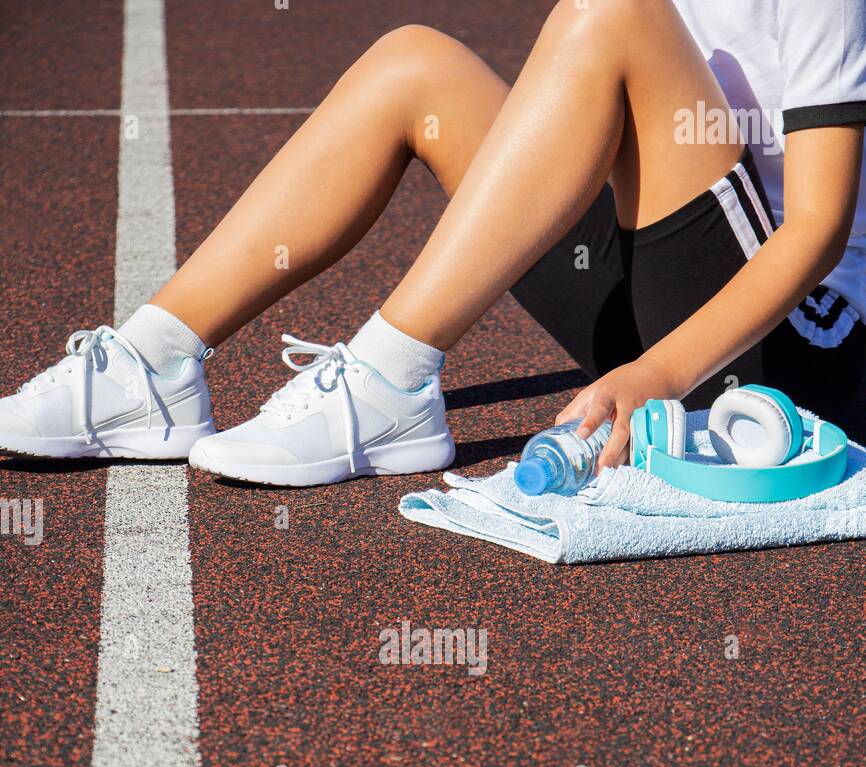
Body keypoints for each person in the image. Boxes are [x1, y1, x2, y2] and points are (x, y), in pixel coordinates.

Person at [2, 0, 865, 484]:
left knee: (616, 13)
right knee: (414, 63)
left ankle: (389, 381)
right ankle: (149, 368)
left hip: (786, 353)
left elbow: (818, 230)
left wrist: (657, 375)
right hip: (662, 299)